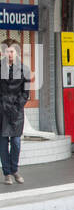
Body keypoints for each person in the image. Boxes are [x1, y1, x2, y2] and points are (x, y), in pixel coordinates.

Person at [0, 41, 29, 185]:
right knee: (3, 142)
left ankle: (14, 169)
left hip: (17, 110)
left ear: (16, 52)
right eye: (7, 51)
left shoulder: (25, 69)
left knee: (16, 142)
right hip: (2, 110)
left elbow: (26, 92)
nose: (9, 54)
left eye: (12, 51)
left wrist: (18, 106)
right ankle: (7, 173)